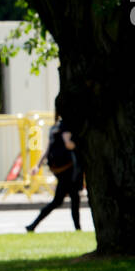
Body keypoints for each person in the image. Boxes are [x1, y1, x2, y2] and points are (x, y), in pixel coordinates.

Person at [26, 97, 83, 232]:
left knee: (73, 198)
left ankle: (77, 228)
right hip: (68, 169)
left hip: (58, 169)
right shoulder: (65, 126)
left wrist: (37, 166)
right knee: (61, 200)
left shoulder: (54, 127)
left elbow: (47, 149)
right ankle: (33, 225)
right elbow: (68, 143)